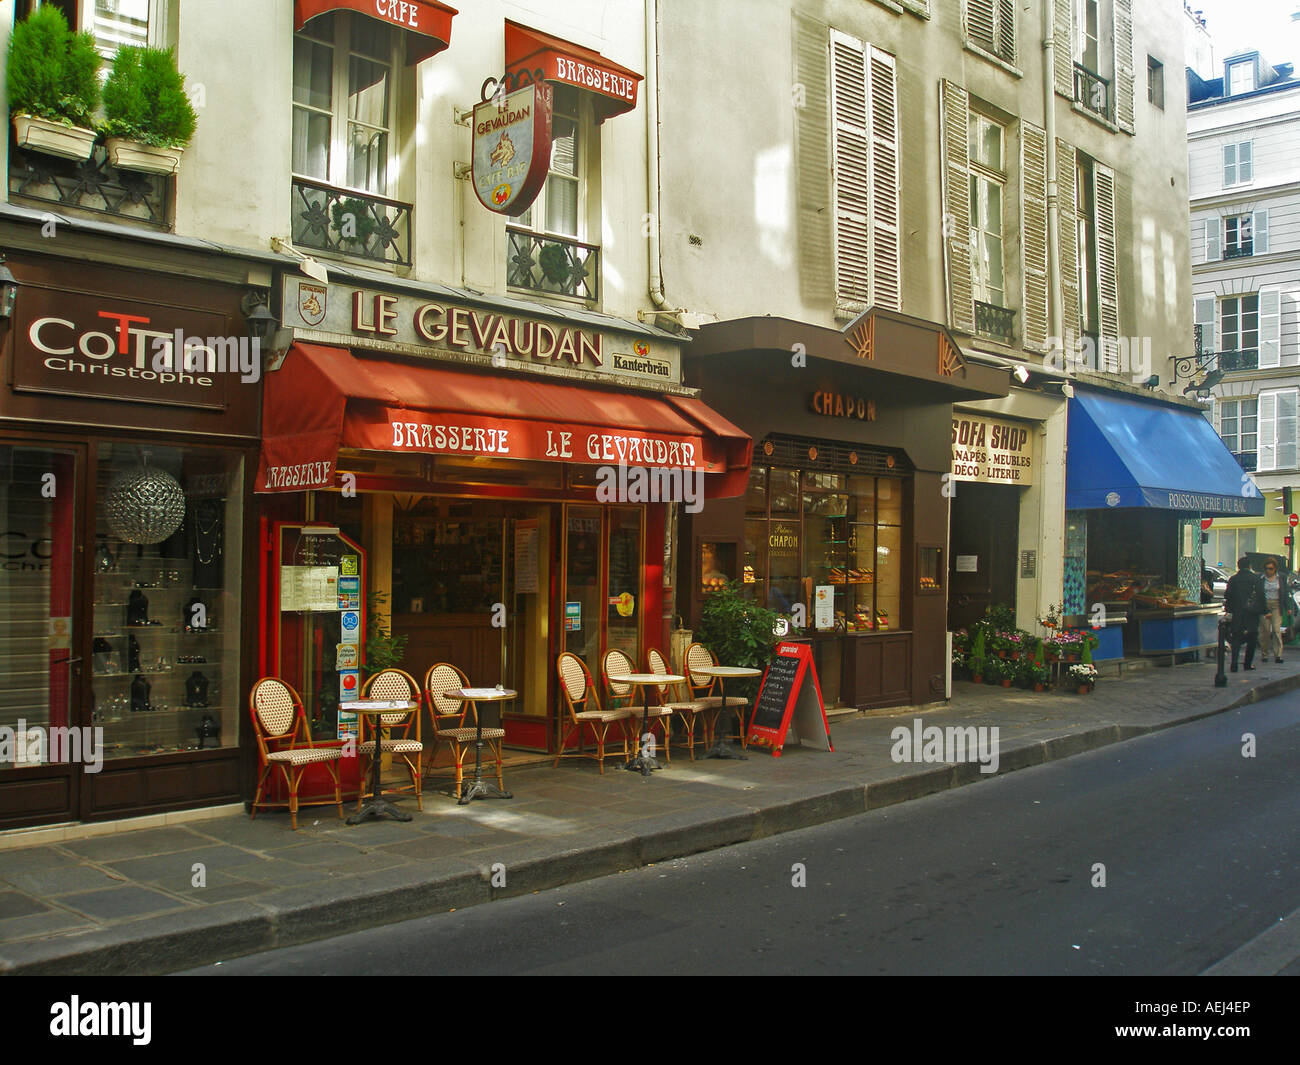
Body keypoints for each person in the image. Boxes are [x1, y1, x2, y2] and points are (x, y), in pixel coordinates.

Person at [1224, 557, 1265, 671]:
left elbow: (1227, 595)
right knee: (1252, 639)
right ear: (1249, 566)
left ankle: (1234, 663)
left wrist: (1231, 608)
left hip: (1238, 613)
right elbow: (1261, 596)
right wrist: (1263, 610)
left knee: (1236, 638)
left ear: (1238, 566)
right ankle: (1247, 664)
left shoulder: (1233, 579)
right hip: (1251, 613)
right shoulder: (1256, 579)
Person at [1258, 556, 1285, 664]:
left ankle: (1278, 655)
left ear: (1275, 569)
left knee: (1276, 630)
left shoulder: (1281, 578)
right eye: (1267, 569)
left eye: (1271, 569)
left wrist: (1287, 608)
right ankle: (1265, 654)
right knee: (1264, 631)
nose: (1269, 571)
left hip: (1276, 604)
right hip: (1265, 605)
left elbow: (1284, 592)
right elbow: (1259, 593)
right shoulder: (1261, 578)